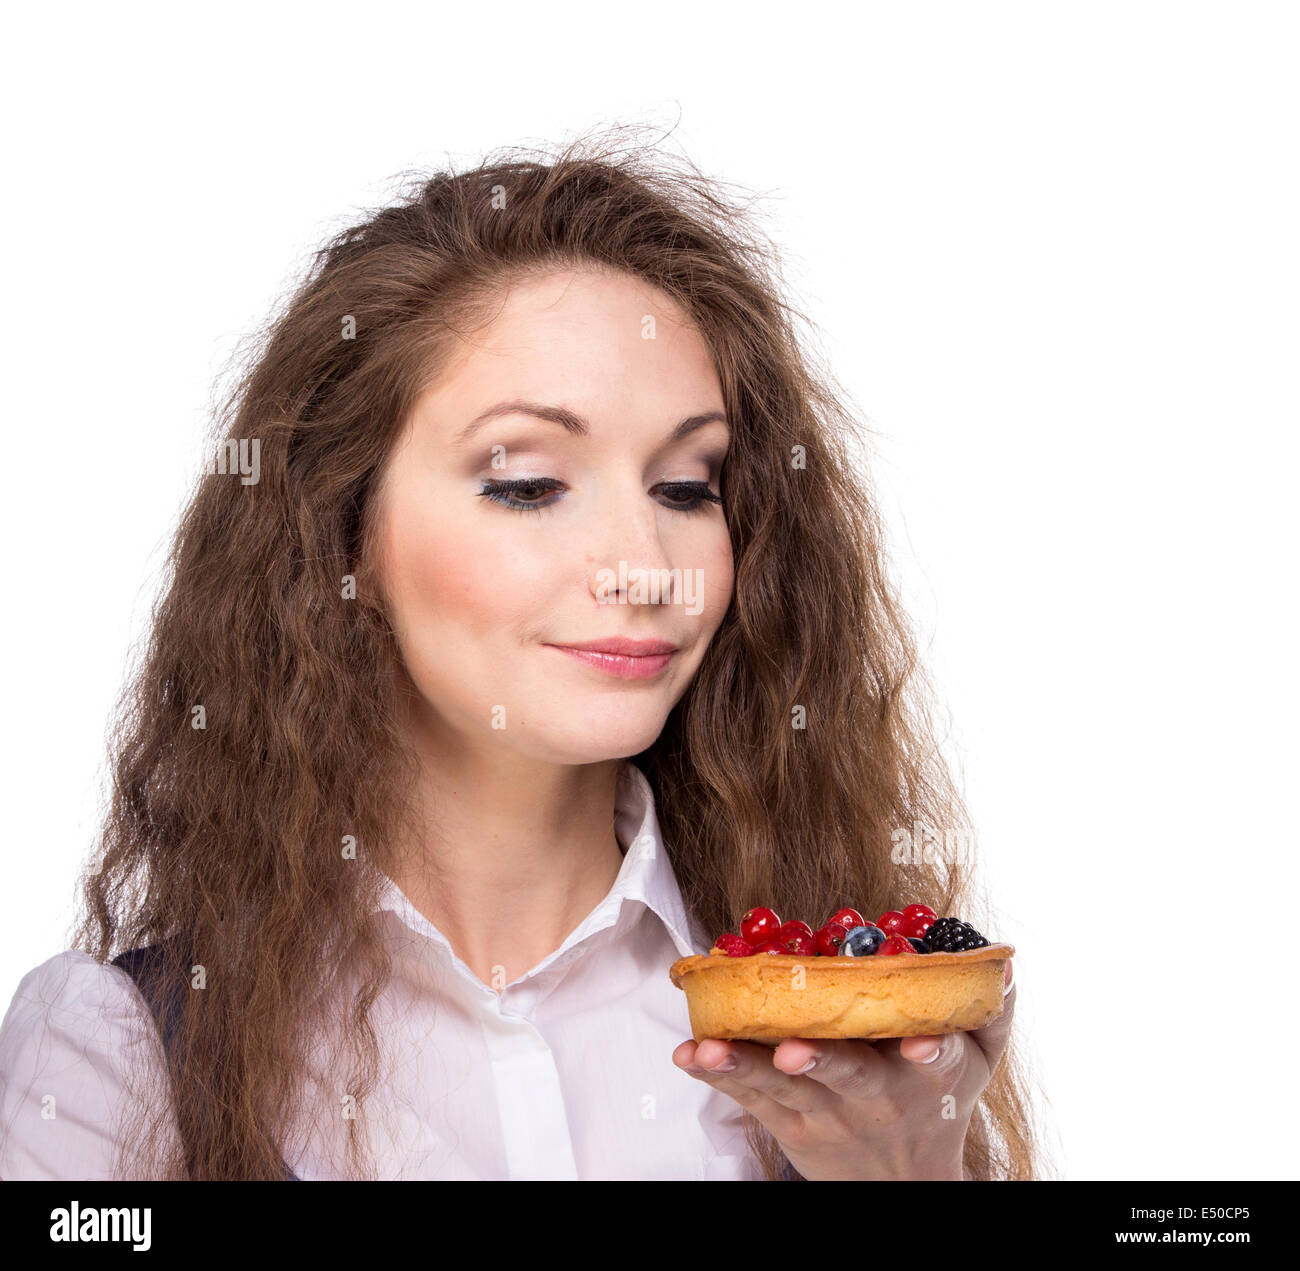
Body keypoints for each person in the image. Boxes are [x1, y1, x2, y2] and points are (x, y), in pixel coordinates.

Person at [0, 125, 1039, 1181]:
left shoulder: (843, 1041)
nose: (645, 566)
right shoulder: (118, 1058)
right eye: (528, 483)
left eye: (686, 487)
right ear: (342, 531)